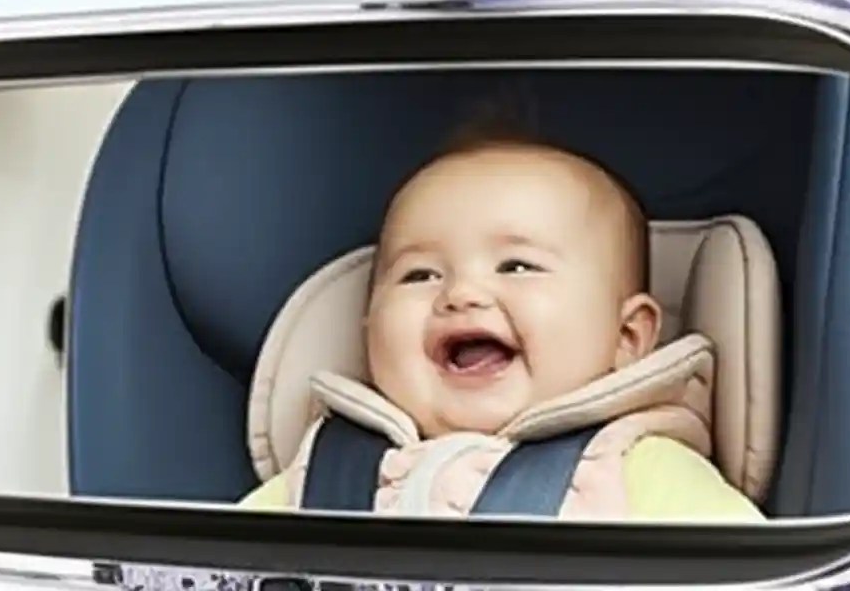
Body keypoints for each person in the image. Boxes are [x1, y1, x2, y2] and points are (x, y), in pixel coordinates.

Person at [238, 114, 763, 522]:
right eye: (419, 275)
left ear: (626, 337)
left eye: (516, 266)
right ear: (368, 328)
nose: (462, 293)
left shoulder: (639, 470)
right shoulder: (318, 476)